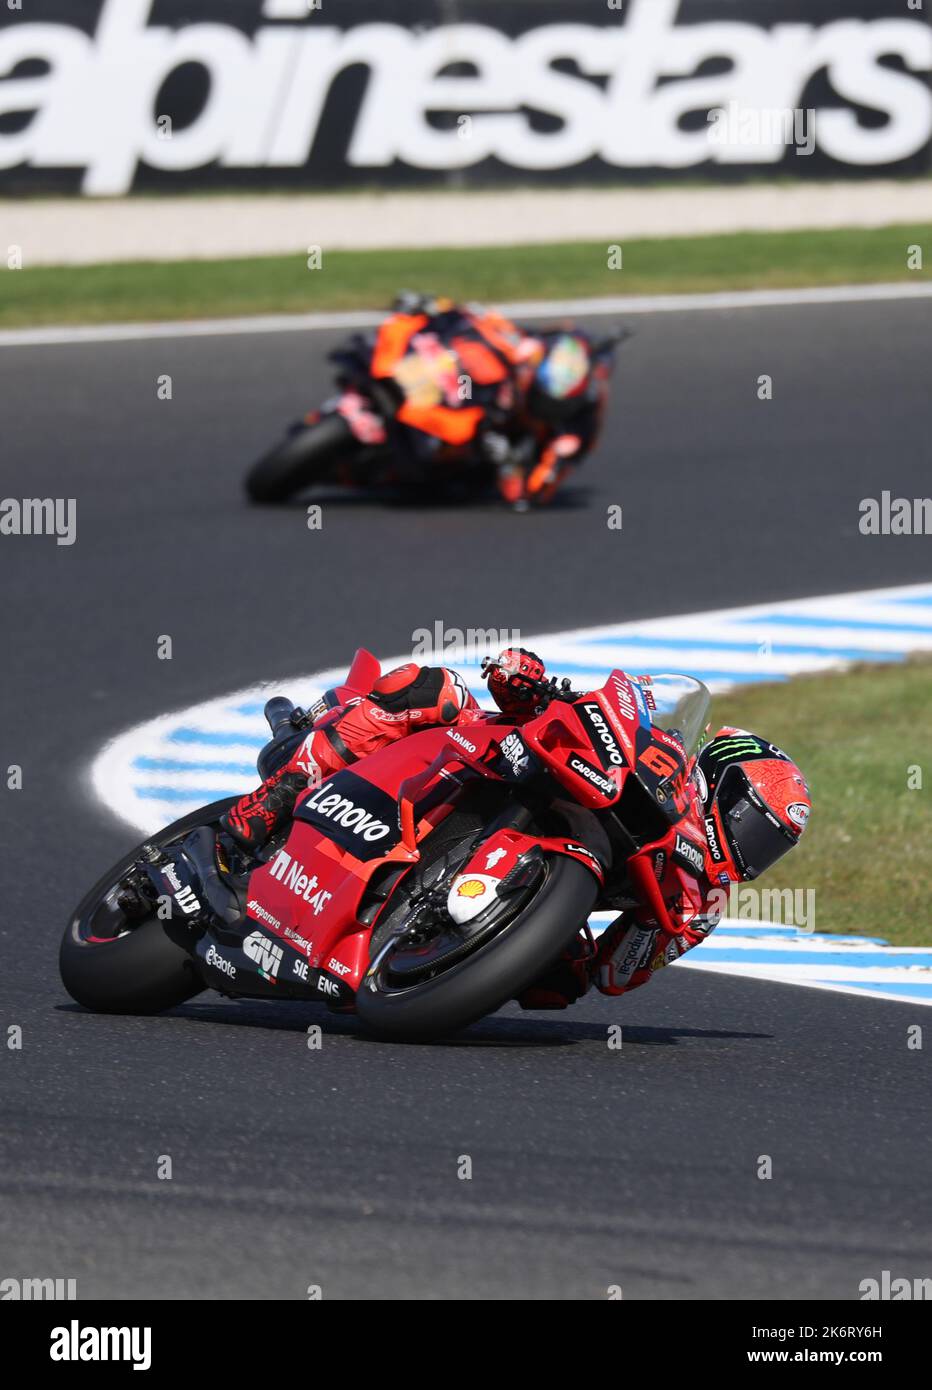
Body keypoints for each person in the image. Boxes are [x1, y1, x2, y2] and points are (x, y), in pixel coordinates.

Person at [220, 654, 810, 1008]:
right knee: (434, 687)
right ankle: (270, 803)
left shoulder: (698, 902)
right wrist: (527, 679)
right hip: (479, 758)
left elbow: (611, 975)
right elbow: (572, 707)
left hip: (538, 886)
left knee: (555, 987)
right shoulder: (662, 768)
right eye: (749, 821)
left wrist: (571, 950)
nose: (749, 846)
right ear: (717, 780)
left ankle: (423, 950)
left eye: (768, 844)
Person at [373, 294, 609, 508]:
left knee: (446, 473)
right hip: (467, 388)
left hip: (492, 442)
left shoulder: (571, 437)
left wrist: (508, 466)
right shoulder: (541, 350)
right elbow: (483, 318)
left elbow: (530, 495)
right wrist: (433, 306)